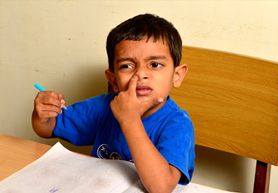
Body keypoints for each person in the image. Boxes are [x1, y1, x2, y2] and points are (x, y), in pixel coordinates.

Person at [32, 13, 195, 193]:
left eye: (155, 64)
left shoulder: (177, 124)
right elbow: (48, 129)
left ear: (177, 76)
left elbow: (161, 187)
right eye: (127, 66)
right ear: (113, 80)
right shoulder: (103, 107)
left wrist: (130, 120)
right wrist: (44, 113)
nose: (140, 74)